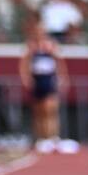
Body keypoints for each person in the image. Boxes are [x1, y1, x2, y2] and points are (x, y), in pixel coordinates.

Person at [19, 18, 69, 153]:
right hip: (37, 79)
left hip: (49, 79)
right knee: (39, 111)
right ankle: (42, 138)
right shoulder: (32, 46)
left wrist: (62, 78)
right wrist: (26, 78)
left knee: (50, 109)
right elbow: (24, 63)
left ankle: (52, 137)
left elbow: (59, 62)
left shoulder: (51, 45)